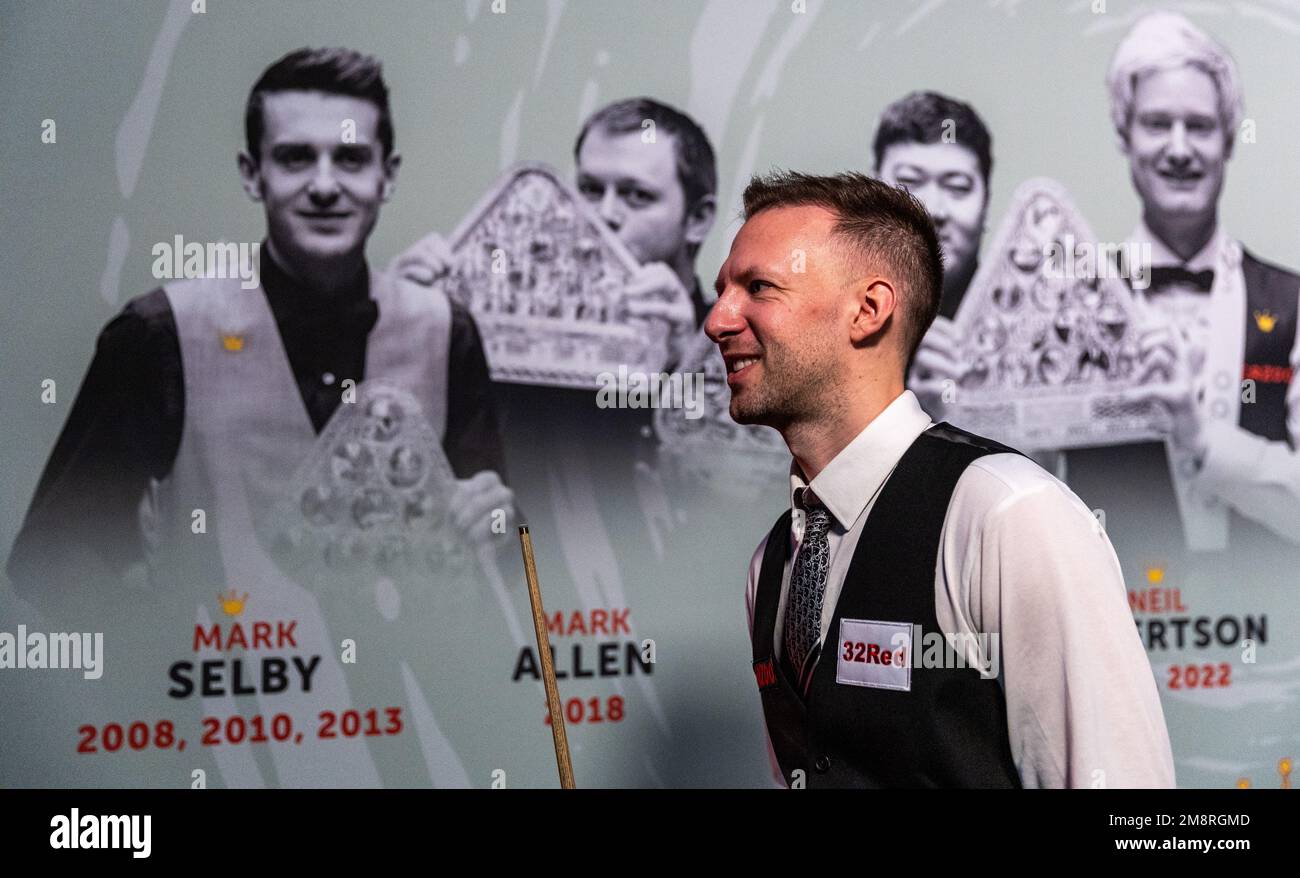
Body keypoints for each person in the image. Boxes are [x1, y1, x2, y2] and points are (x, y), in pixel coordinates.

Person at [7, 47, 519, 787]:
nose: (323, 185)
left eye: (349, 158)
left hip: (407, 744)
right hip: (221, 752)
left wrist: (498, 524)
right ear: (254, 175)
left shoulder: (447, 330)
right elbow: (51, 560)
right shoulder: (159, 334)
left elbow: (501, 543)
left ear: (387, 174)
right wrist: (171, 637)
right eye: (293, 158)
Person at [705, 169, 1174, 788]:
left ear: (868, 311)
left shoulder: (1006, 514)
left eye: (758, 288)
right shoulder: (772, 565)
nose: (717, 320)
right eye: (721, 292)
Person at [1065, 11, 1300, 555]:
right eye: (1156, 123)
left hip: (1267, 627)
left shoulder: (1291, 303)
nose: (1178, 148)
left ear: (1229, 140)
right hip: (1113, 624)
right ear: (1125, 135)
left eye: (1199, 125)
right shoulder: (1073, 301)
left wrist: (1202, 441)